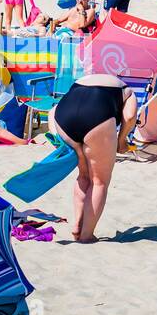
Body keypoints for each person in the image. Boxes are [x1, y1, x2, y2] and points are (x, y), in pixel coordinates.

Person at [51, 73, 138, 243]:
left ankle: (77, 225)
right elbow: (129, 117)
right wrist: (121, 141)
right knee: (99, 182)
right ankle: (86, 235)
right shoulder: (128, 91)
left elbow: (53, 109)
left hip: (62, 116)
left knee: (83, 175)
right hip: (97, 115)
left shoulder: (83, 80)